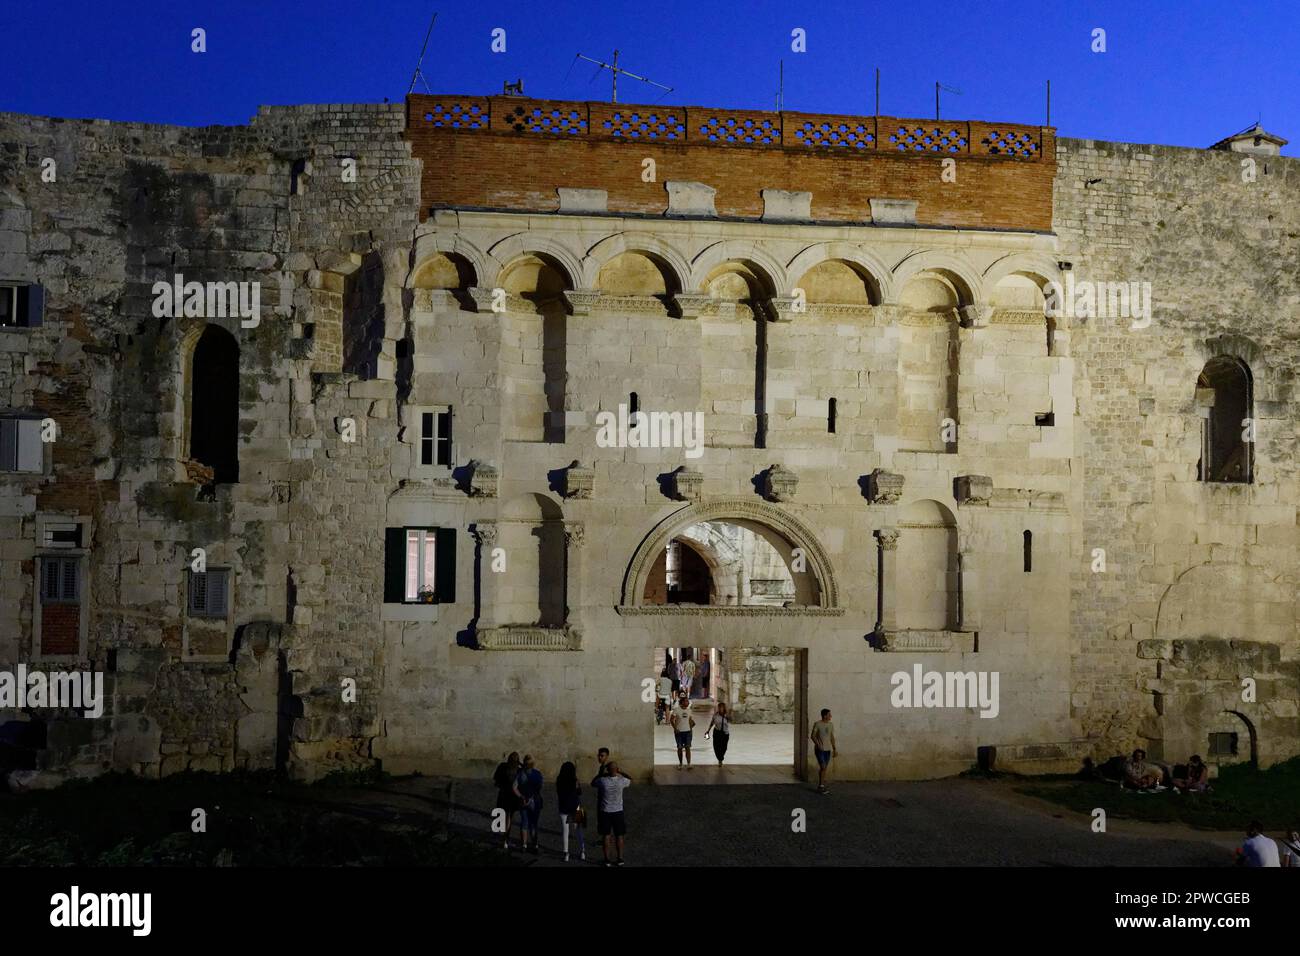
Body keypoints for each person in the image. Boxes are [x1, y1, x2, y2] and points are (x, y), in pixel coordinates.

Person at [593, 759, 632, 866]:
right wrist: (621, 771)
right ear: (617, 769)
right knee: (619, 836)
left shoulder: (603, 781)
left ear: (608, 770)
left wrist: (602, 773)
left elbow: (593, 782)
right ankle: (620, 858)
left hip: (605, 811)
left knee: (606, 836)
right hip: (618, 811)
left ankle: (607, 860)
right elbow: (630, 779)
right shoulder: (622, 781)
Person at [556, 761, 586, 863]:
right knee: (579, 830)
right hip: (576, 806)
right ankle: (582, 851)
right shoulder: (575, 780)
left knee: (565, 831)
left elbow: (559, 793)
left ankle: (566, 854)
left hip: (564, 806)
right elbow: (579, 792)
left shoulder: (559, 780)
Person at [492, 751, 522, 849]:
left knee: (502, 815)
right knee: (509, 817)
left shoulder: (502, 767)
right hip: (513, 797)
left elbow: (496, 780)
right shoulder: (518, 771)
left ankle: (501, 838)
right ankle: (505, 839)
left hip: (503, 794)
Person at [516, 754, 544, 854]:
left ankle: (524, 845)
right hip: (535, 801)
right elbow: (539, 787)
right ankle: (535, 845)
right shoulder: (537, 774)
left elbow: (514, 787)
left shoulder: (520, 774)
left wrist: (521, 796)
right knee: (534, 824)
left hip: (523, 801)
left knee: (524, 822)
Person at [811, 708, 837, 794]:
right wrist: (818, 744)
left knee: (824, 768)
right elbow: (813, 736)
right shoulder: (817, 724)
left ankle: (821, 786)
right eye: (829, 715)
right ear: (825, 715)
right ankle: (821, 786)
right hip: (820, 750)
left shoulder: (831, 725)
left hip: (828, 750)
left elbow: (832, 737)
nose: (831, 716)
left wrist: (834, 748)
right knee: (823, 766)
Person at [669, 691, 695, 769]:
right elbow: (671, 720)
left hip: (688, 732)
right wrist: (675, 728)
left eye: (688, 701)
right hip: (679, 732)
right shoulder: (676, 710)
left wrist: (691, 728)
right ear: (682, 702)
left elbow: (690, 720)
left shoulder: (689, 710)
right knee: (679, 748)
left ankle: (689, 764)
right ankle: (680, 763)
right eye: (686, 701)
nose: (687, 702)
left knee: (688, 748)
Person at [705, 699, 731, 766]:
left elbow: (730, 720)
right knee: (716, 746)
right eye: (719, 708)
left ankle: (721, 757)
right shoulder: (715, 715)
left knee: (724, 747)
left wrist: (726, 715)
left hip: (725, 733)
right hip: (717, 732)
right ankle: (720, 759)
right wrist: (708, 730)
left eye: (722, 708)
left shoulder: (726, 716)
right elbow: (712, 722)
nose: (720, 709)